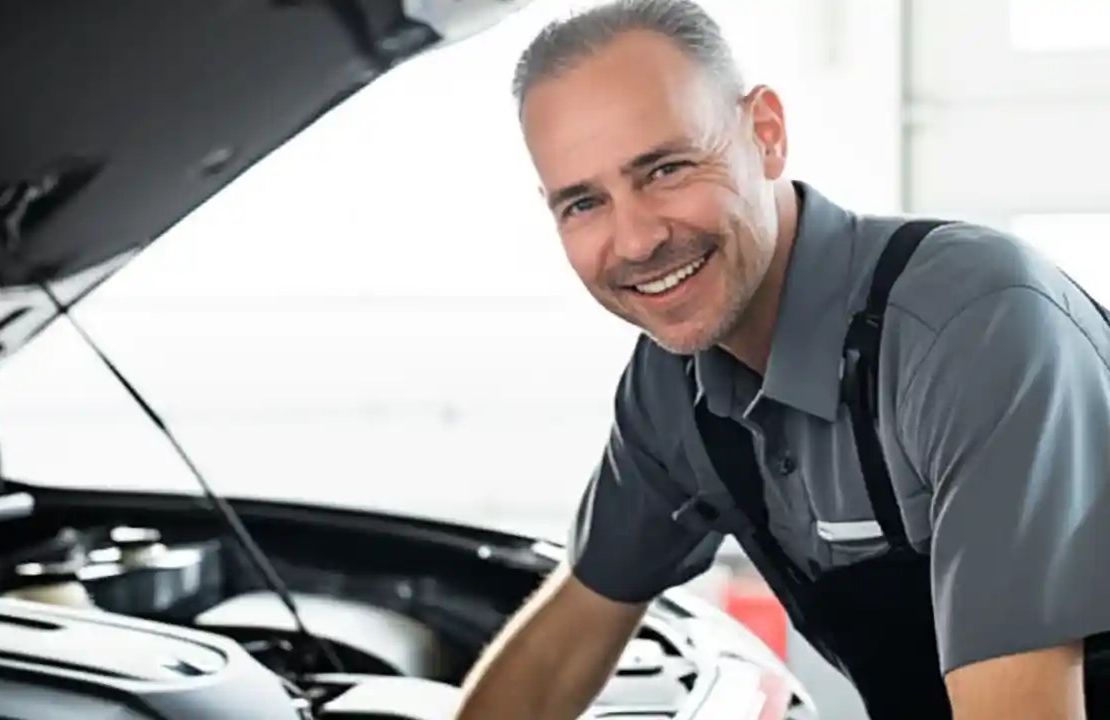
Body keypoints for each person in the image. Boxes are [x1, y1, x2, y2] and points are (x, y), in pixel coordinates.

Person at [451, 1, 1110, 718]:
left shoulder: (970, 328)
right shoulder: (674, 385)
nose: (635, 241)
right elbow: (555, 655)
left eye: (666, 168)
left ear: (766, 133)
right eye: (583, 203)